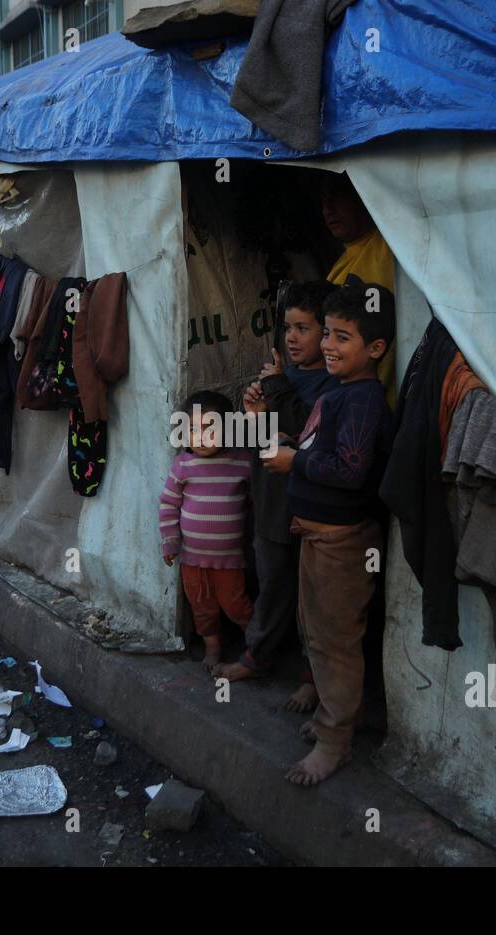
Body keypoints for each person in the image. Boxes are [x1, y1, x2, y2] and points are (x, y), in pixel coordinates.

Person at [263, 278, 395, 786]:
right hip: (322, 538)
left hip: (343, 545)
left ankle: (334, 741)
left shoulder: (362, 400)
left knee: (335, 640)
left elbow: (350, 470)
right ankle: (338, 716)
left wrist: (294, 460)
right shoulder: (342, 392)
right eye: (328, 335)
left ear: (376, 348)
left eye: (342, 337)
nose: (327, 346)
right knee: (319, 633)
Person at [214, 281, 335, 715]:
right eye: (288, 327)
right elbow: (262, 439)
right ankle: (258, 657)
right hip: (269, 502)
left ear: (329, 333)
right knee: (271, 584)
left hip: (306, 510)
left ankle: (313, 677)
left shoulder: (328, 384)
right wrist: (253, 415)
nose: (291, 337)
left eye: (304, 328)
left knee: (312, 599)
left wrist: (278, 389)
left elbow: (307, 432)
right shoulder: (281, 376)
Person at [160, 390, 254, 669]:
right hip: (191, 559)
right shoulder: (183, 465)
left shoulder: (243, 463)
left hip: (230, 560)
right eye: (192, 429)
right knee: (202, 608)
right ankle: (212, 647)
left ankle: (257, 647)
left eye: (209, 429)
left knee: (237, 605)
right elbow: (168, 505)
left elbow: (255, 504)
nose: (200, 437)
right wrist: (170, 542)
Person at [320, 172, 397, 402]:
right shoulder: (340, 264)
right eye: (323, 201)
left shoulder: (393, 244)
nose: (327, 209)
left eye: (337, 197)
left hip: (384, 399)